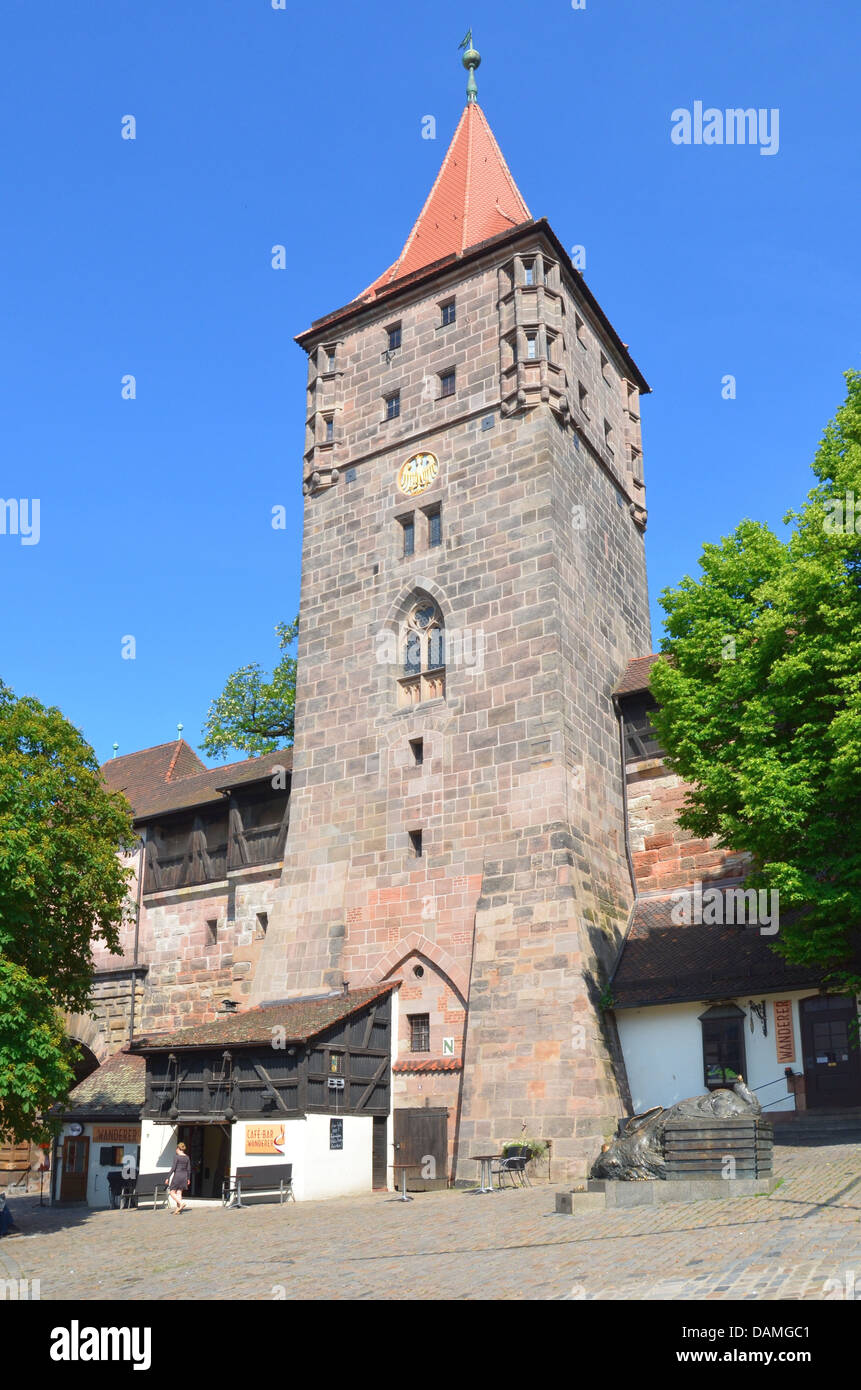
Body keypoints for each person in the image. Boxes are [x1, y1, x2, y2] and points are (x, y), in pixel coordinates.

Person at [166, 1142, 191, 1214]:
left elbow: (173, 1168)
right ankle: (178, 1209)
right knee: (179, 1192)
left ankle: (181, 1203)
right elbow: (189, 1169)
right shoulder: (187, 1157)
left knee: (172, 1192)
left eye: (176, 1149)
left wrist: (168, 1177)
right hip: (184, 1176)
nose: (176, 1150)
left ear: (178, 1149)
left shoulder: (176, 1157)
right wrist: (188, 1178)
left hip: (177, 1175)